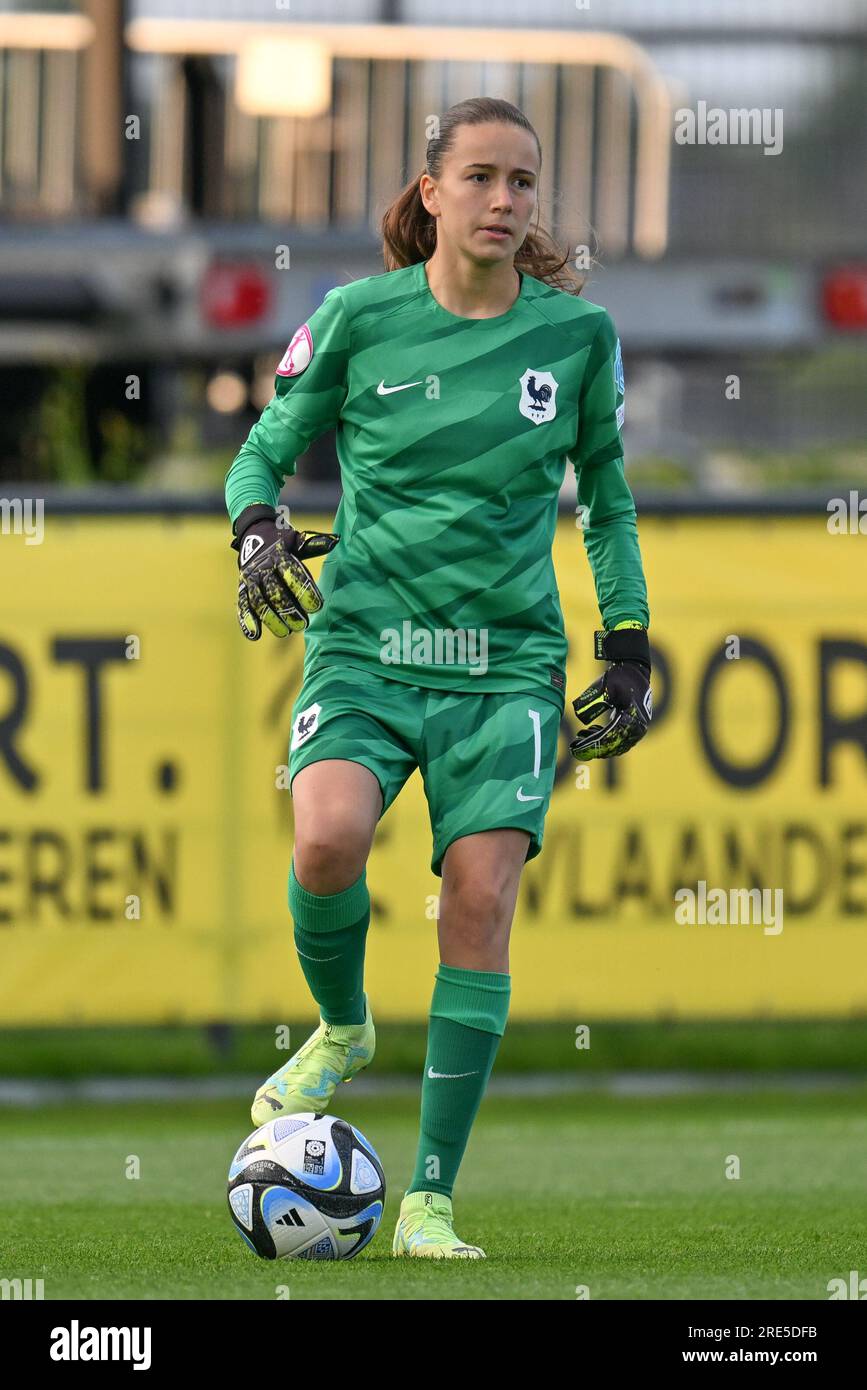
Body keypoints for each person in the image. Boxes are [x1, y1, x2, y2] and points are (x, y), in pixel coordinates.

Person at [224, 96, 652, 1260]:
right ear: (431, 193)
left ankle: (427, 1200)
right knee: (325, 841)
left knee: (480, 902)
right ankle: (344, 1026)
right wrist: (257, 523)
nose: (506, 202)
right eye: (481, 179)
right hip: (367, 644)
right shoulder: (357, 318)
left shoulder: (578, 337)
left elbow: (607, 501)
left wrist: (629, 638)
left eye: (523, 182)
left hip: (505, 665)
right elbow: (263, 446)